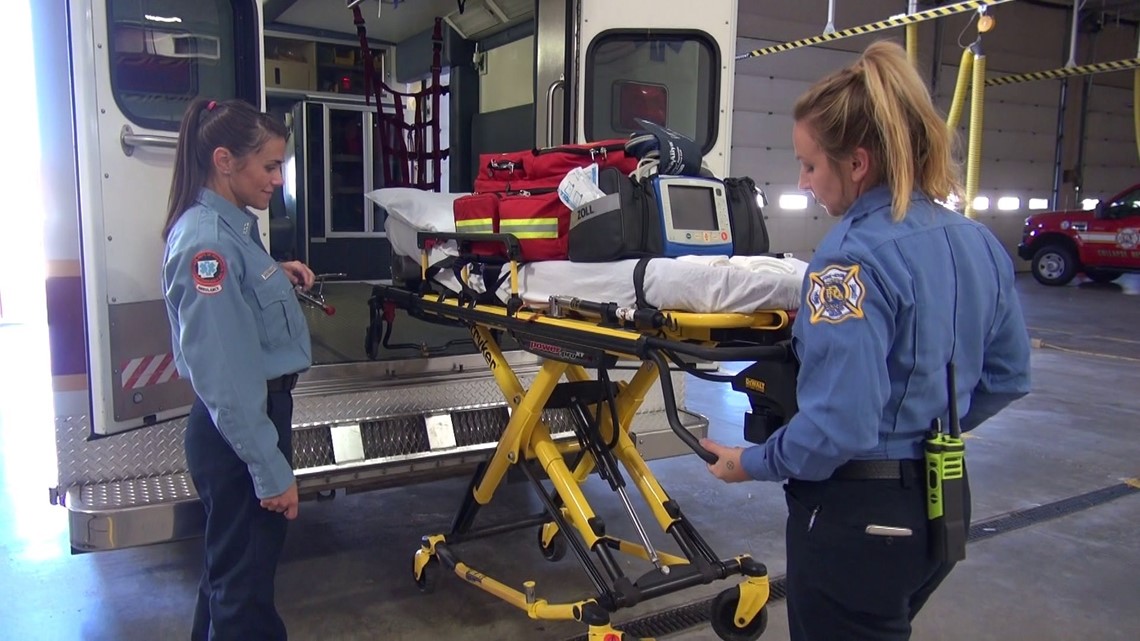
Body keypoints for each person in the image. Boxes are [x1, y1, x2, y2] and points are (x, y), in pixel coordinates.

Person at [700, 40, 1031, 641]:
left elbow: (840, 426)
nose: (803, 181)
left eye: (810, 165)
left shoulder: (847, 262)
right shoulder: (978, 242)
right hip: (938, 511)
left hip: (856, 520)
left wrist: (750, 463)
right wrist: (924, 433)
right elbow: (1009, 376)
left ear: (857, 163)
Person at [161, 97, 315, 641]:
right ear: (224, 160)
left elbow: (237, 307)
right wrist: (269, 468)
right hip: (243, 428)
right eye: (270, 165)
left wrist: (277, 274)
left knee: (230, 579)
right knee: (245, 598)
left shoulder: (230, 231)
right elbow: (226, 373)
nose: (278, 179)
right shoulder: (209, 244)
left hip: (245, 421)